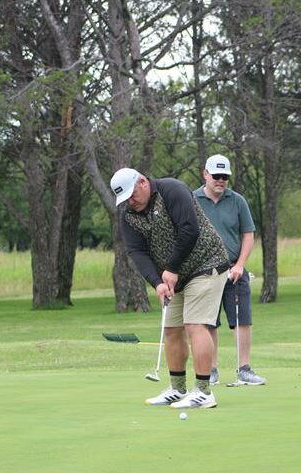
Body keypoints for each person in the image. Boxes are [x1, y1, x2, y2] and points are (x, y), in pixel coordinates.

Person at [110, 167, 230, 409]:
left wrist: (172, 268)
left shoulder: (172, 190)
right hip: (173, 276)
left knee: (195, 324)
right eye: (125, 200)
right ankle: (177, 389)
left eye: (132, 195)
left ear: (143, 182)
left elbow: (189, 229)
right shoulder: (129, 216)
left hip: (207, 263)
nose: (130, 202)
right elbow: (137, 252)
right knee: (172, 329)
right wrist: (157, 283)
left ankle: (204, 392)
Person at [194, 154, 266, 386]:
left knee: (242, 320)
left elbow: (248, 235)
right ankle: (211, 370)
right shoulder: (192, 200)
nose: (221, 180)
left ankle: (244, 369)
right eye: (216, 176)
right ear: (206, 174)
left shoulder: (237, 201)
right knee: (208, 322)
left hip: (234, 271)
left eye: (225, 176)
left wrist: (240, 265)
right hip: (204, 273)